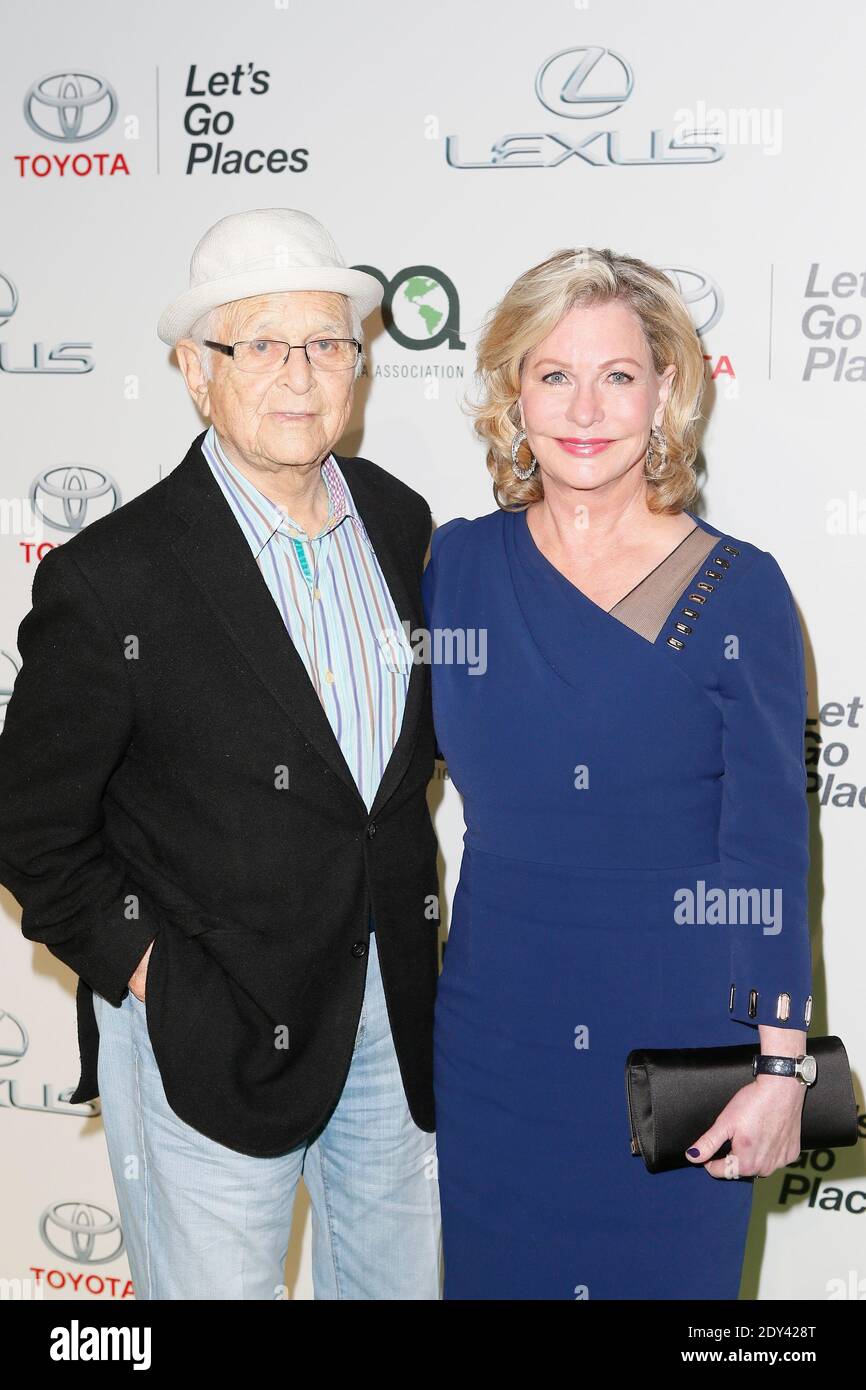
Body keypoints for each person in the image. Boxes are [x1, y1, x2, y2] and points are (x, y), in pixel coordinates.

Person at [0, 208, 442, 1300]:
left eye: (328, 343)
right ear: (197, 373)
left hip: (394, 1018)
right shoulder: (114, 577)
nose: (300, 374)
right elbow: (31, 825)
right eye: (260, 345)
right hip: (206, 1030)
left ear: (358, 365)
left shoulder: (399, 520)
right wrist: (155, 974)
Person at [421, 246, 813, 1300]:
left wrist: (780, 1065)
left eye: (617, 375)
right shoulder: (454, 566)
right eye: (552, 374)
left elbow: (768, 843)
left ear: (666, 391)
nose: (583, 407)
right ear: (512, 394)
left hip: (680, 1042)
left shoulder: (737, 590)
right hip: (497, 1036)